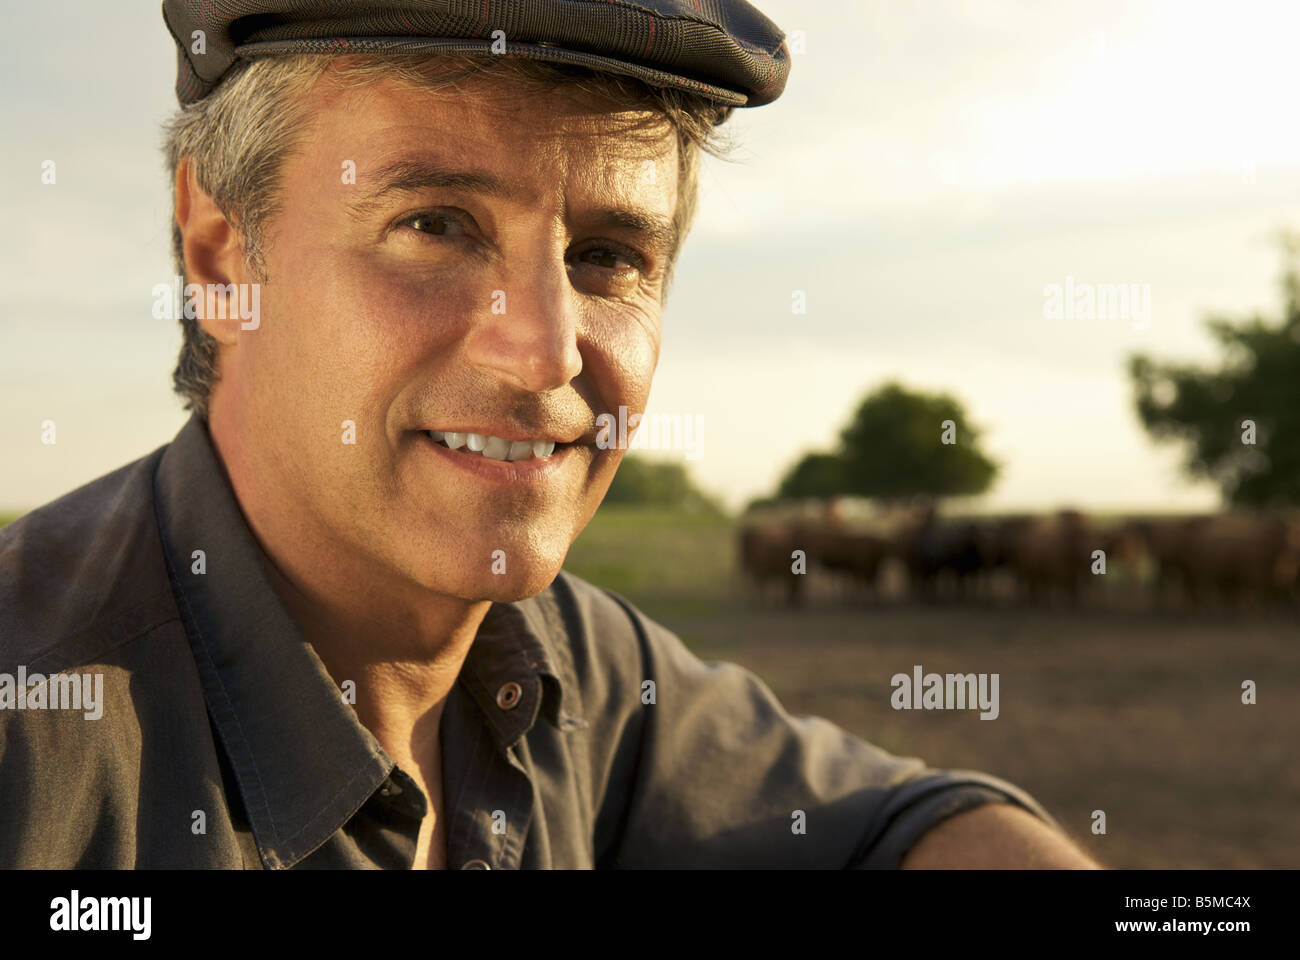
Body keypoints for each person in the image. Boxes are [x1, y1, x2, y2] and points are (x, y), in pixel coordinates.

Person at [0, 0, 1095, 869]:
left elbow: (896, 822)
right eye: (433, 226)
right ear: (217, 253)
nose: (545, 352)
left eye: (609, 256)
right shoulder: (31, 753)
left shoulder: (575, 673)